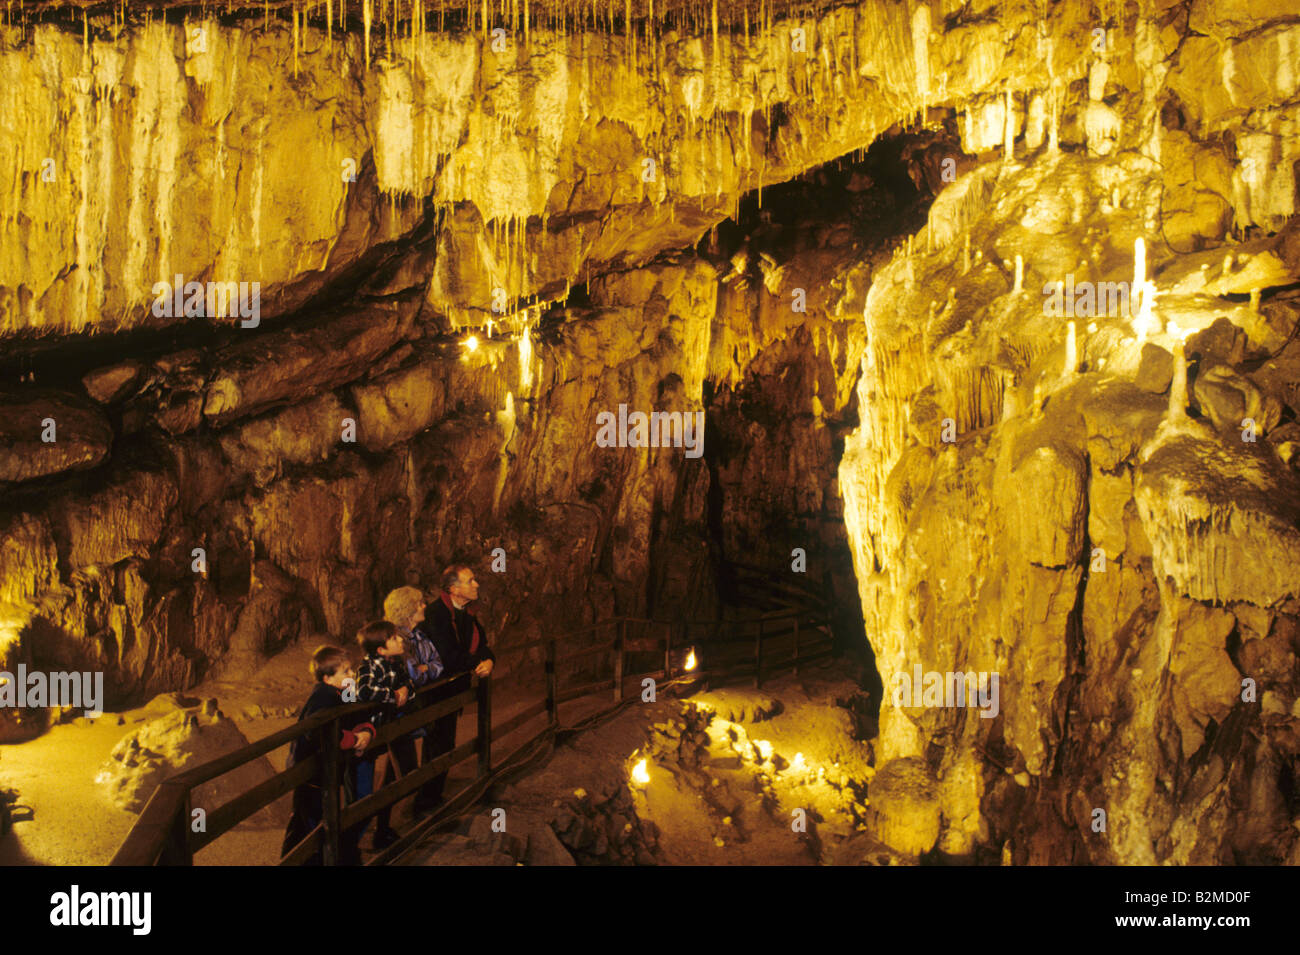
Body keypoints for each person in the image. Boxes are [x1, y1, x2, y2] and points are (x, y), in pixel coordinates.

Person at [280, 645, 375, 865]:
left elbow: (360, 713)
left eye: (351, 670)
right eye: (346, 672)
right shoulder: (322, 697)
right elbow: (319, 732)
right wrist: (352, 739)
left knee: (310, 823)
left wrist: (366, 732)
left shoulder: (344, 690)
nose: (352, 675)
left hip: (326, 772)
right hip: (310, 774)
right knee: (308, 824)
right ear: (327, 678)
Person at [417, 564, 495, 811]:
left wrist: (489, 659)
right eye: (470, 580)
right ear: (453, 588)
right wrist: (477, 662)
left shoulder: (466, 613)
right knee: (434, 746)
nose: (476, 584)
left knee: (445, 743)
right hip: (435, 692)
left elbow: (481, 644)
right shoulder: (437, 615)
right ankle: (423, 804)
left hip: (453, 691)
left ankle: (432, 799)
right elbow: (448, 656)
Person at [355, 620, 416, 849]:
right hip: (370, 734)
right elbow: (363, 691)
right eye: (393, 637)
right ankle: (353, 842)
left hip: (391, 730)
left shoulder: (395, 663)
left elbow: (409, 684)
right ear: (380, 649)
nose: (400, 639)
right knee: (363, 789)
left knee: (398, 776)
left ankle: (381, 828)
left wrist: (404, 690)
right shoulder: (370, 666)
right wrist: (393, 695)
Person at [384, 586, 445, 814]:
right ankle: (381, 825)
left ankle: (383, 824)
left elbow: (437, 665)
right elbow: (414, 675)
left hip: (413, 710)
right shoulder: (396, 639)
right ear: (407, 610)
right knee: (398, 769)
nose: (424, 606)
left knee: (397, 770)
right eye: (419, 603)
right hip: (400, 713)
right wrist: (424, 669)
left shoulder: (419, 635)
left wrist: (425, 668)